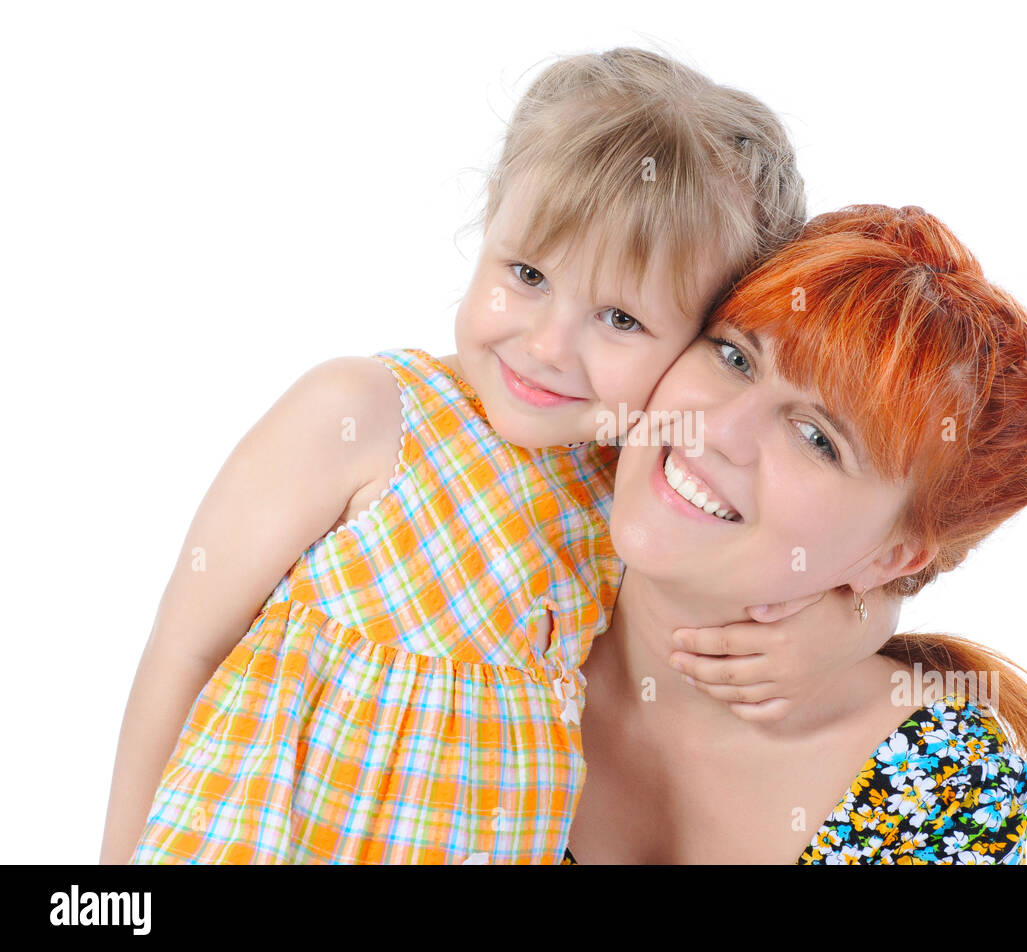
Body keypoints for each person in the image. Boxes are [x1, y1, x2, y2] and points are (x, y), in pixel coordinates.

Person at [101, 48, 867, 866]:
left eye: (619, 318)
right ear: (488, 223)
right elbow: (186, 646)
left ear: (699, 346)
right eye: (528, 273)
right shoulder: (365, 415)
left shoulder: (640, 495)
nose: (546, 345)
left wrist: (849, 628)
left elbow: (772, 585)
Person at [564, 203, 1027, 864]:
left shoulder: (944, 790)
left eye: (816, 438)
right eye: (735, 356)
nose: (718, 430)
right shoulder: (481, 594)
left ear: (893, 555)